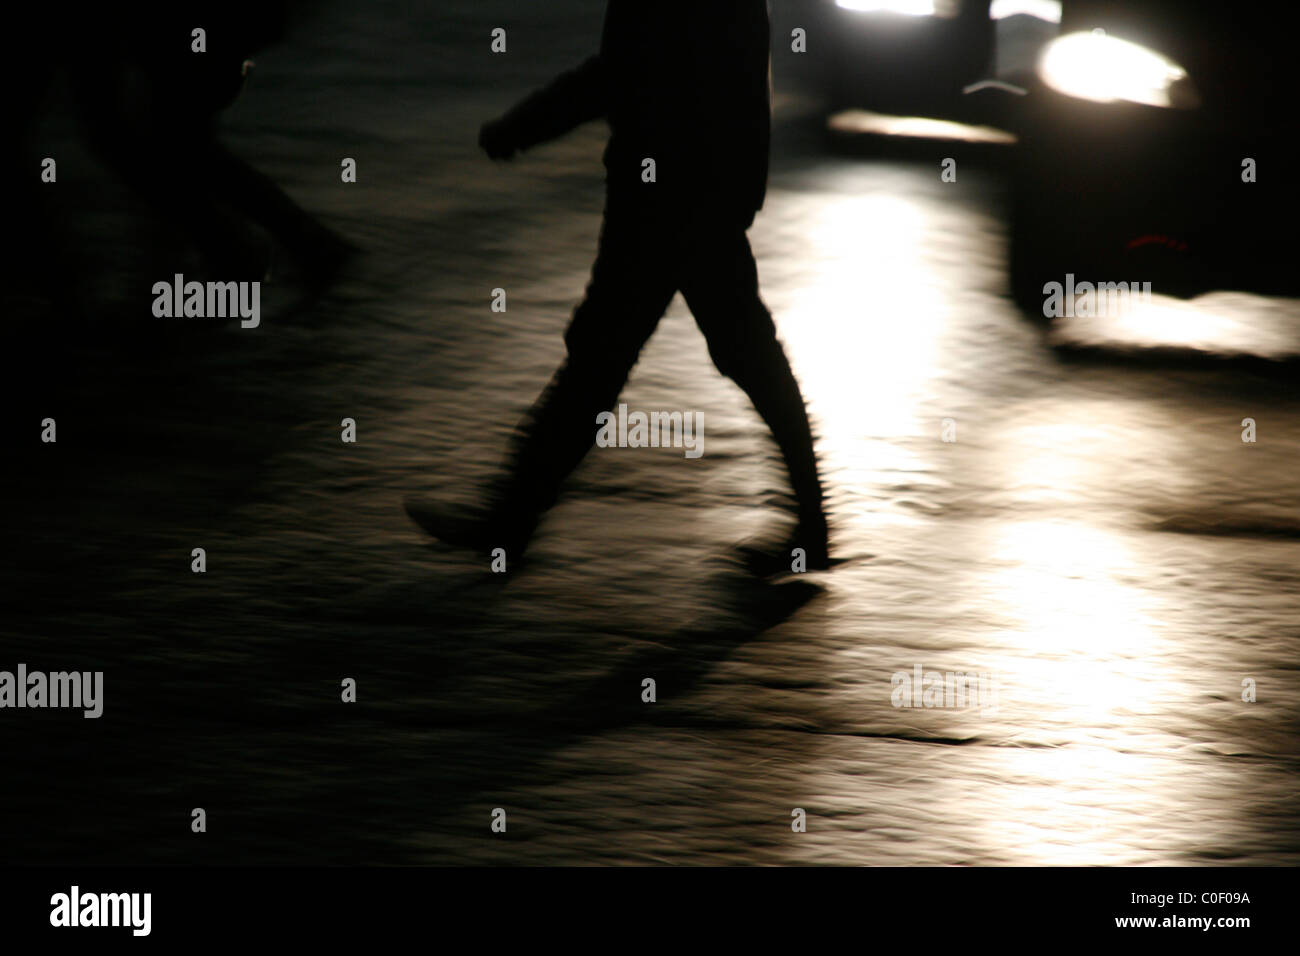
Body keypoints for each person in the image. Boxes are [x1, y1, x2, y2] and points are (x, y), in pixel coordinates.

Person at [406, 0, 829, 571]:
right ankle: (812, 523)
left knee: (605, 359)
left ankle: (509, 521)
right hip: (695, 194)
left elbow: (623, 71)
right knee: (724, 354)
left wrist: (525, 124)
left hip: (665, 199)